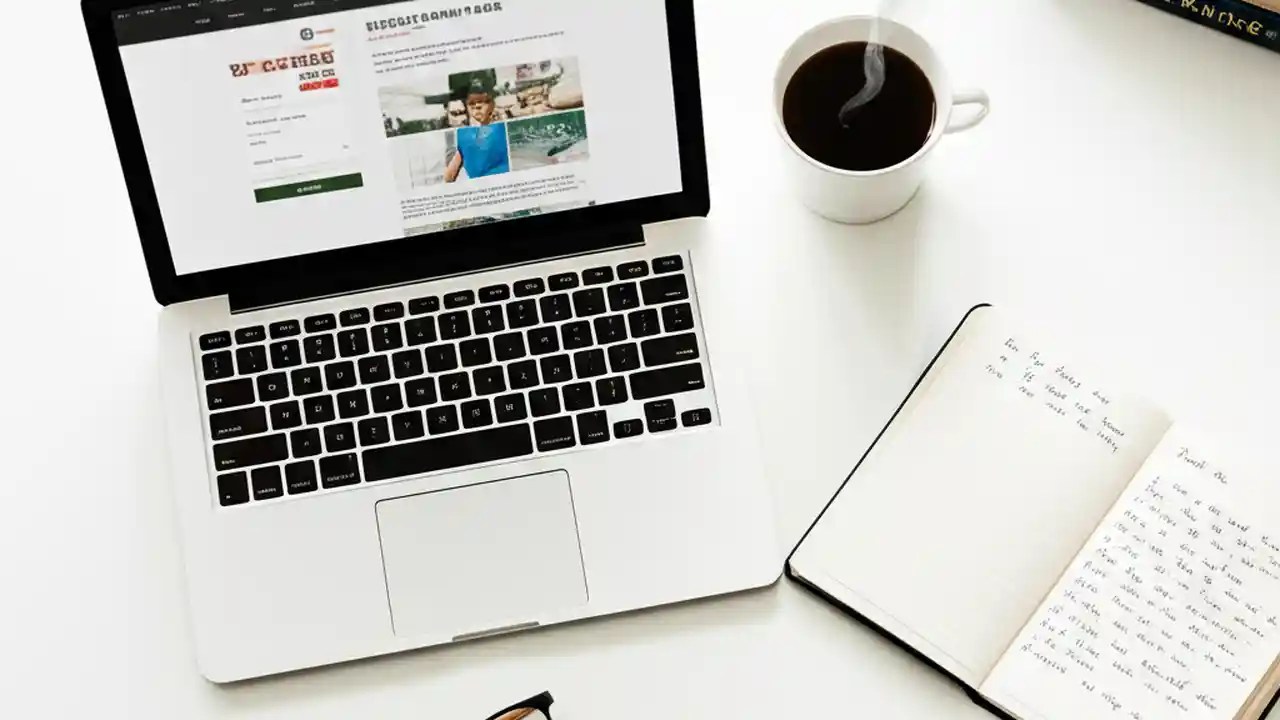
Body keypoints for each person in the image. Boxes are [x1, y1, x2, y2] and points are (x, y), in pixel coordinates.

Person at [445, 80, 510, 182]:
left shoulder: (500, 123)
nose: (477, 106)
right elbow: (449, 176)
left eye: (485, 101)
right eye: (472, 103)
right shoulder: (459, 134)